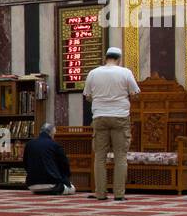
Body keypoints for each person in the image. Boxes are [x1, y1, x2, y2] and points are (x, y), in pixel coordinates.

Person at [82, 46, 140, 200]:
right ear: (119, 59)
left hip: (100, 117)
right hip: (120, 117)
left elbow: (87, 96)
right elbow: (135, 94)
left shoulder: (93, 73)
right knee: (120, 156)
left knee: (100, 157)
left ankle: (100, 193)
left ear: (105, 58)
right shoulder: (125, 72)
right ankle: (119, 195)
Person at [23, 123, 75, 195]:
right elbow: (65, 165)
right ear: (51, 133)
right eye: (54, 135)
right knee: (72, 189)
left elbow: (25, 164)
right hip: (52, 183)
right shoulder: (55, 145)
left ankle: (39, 190)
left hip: (31, 185)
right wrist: (66, 179)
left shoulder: (29, 144)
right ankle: (53, 190)